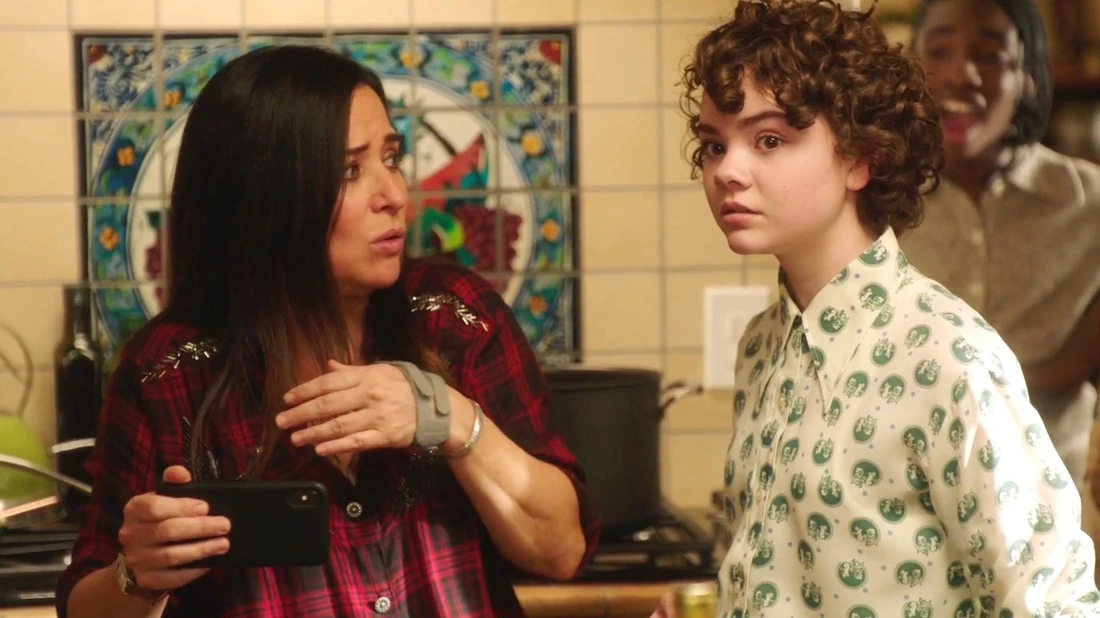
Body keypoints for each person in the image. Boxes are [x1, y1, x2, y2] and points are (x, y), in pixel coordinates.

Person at [56, 44, 599, 618]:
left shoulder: (454, 315)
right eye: (349, 170)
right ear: (264, 197)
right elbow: (84, 605)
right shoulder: (169, 371)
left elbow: (562, 550)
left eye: (391, 158)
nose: (395, 196)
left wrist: (452, 419)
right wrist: (138, 574)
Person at [651, 0, 1100, 615]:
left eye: (769, 140)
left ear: (862, 157)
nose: (728, 170)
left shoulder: (947, 355)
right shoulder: (762, 343)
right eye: (713, 146)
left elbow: (1055, 602)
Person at [902, 0, 1100, 548]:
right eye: (938, 51)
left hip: (1054, 531)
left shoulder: (1086, 205)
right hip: (906, 533)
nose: (962, 73)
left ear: (1029, 78)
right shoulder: (873, 206)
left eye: (991, 55)